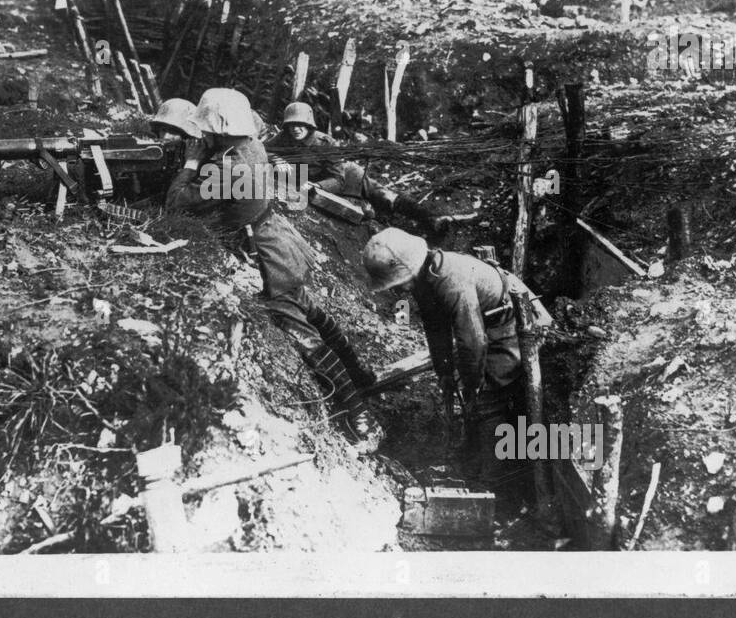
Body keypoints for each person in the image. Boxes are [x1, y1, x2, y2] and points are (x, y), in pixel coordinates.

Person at [166, 88, 380, 446]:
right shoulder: (252, 146)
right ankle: (361, 375)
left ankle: (361, 416)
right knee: (308, 305)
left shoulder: (229, 166)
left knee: (301, 333)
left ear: (217, 128)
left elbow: (177, 204)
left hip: (264, 253)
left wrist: (190, 165)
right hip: (278, 235)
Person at [362, 227, 528, 486]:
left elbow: (473, 341)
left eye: (400, 282)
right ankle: (473, 455)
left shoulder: (452, 281)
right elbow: (435, 327)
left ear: (412, 267)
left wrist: (472, 385)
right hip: (483, 324)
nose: (401, 291)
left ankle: (495, 480)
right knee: (473, 391)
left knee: (488, 400)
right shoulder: (424, 278)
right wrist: (445, 373)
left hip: (507, 322)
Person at [266, 101, 446, 239]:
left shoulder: (325, 143)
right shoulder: (283, 138)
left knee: (385, 197)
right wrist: (277, 160)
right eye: (292, 124)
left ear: (309, 125)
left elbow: (339, 180)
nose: (296, 129)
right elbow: (263, 149)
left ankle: (429, 218)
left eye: (301, 124)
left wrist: (317, 186)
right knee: (365, 214)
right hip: (320, 186)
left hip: (348, 177)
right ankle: (377, 215)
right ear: (286, 126)